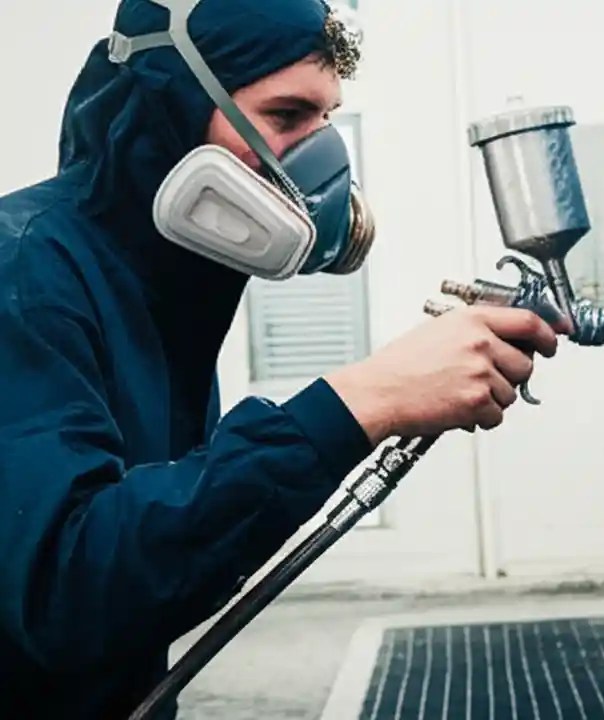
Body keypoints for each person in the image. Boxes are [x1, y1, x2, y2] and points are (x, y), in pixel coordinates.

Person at [0, 1, 562, 718]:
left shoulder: (167, 289)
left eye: (327, 120)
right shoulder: (26, 272)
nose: (319, 160)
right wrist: (357, 404)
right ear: (171, 107)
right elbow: (64, 592)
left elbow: (148, 574)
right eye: (288, 116)